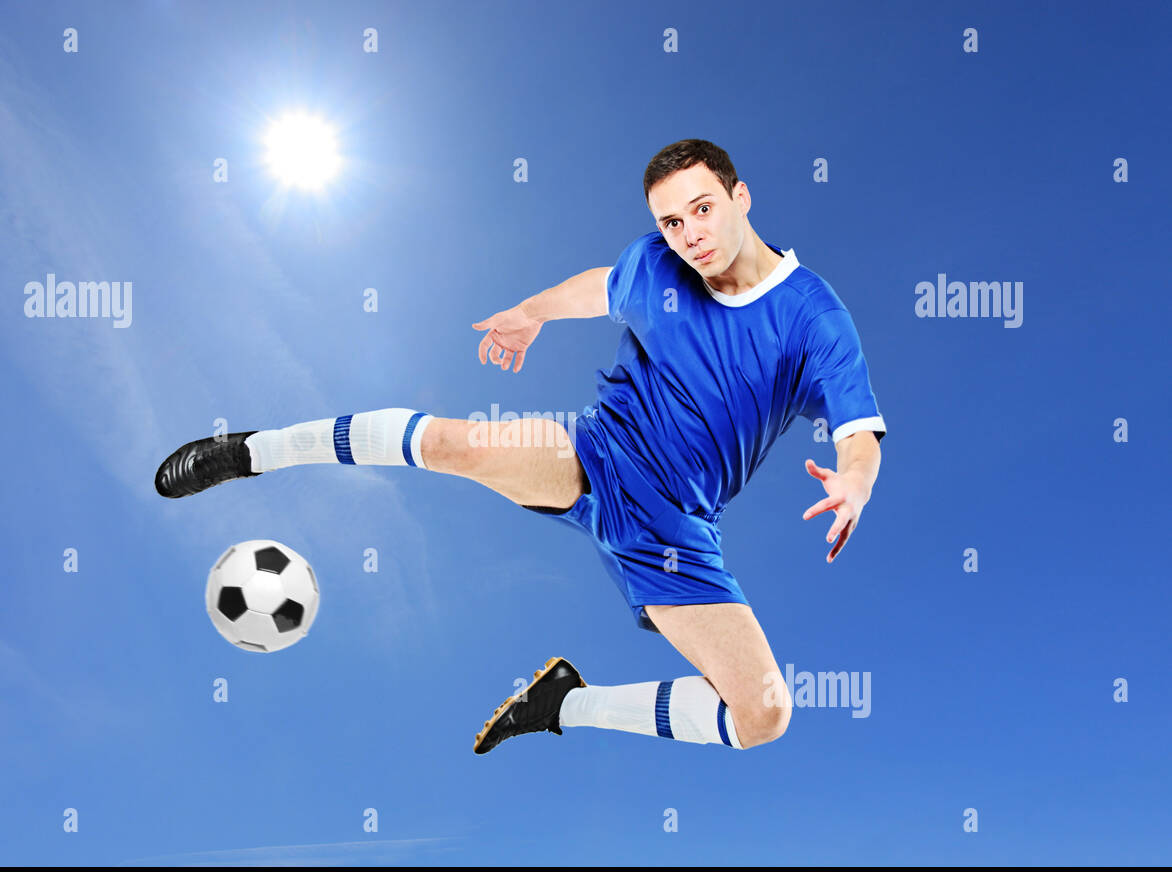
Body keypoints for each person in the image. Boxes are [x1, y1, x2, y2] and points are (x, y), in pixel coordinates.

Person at [155, 138, 887, 756]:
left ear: (740, 197)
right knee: (457, 445)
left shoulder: (813, 316)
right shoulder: (657, 267)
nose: (688, 234)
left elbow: (858, 431)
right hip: (596, 456)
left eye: (702, 210)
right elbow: (602, 286)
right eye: (670, 222)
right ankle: (250, 451)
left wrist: (854, 481)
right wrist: (530, 313)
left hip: (675, 531)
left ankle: (565, 704)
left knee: (764, 716)